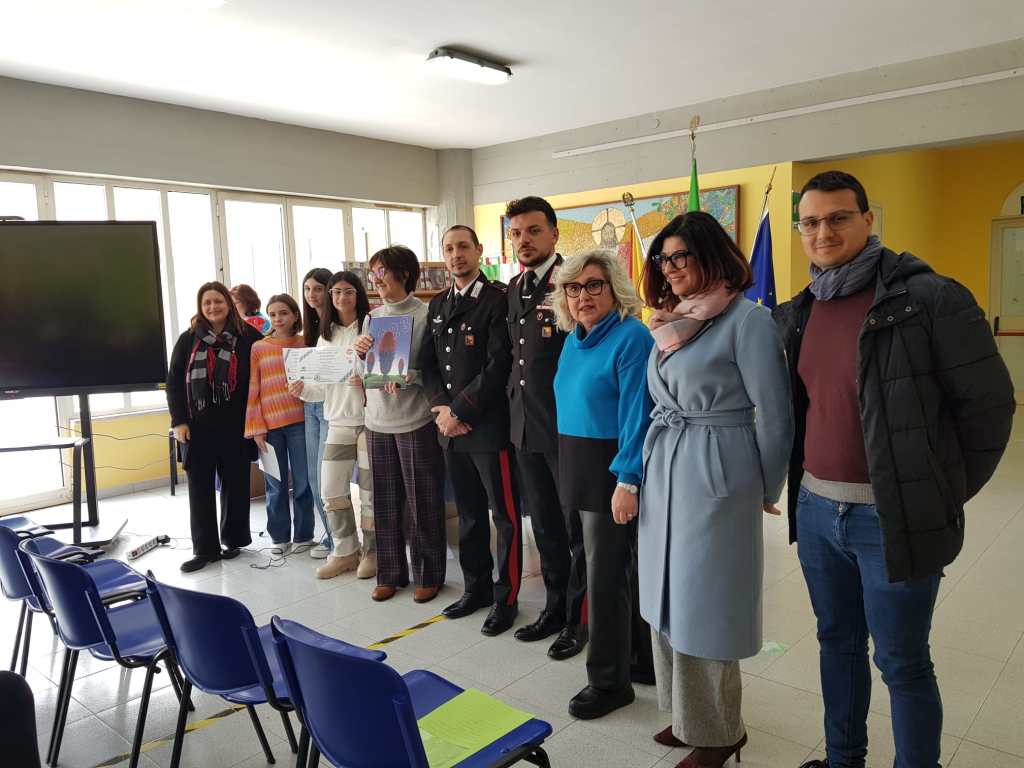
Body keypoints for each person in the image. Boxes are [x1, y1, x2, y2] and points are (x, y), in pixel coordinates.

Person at [775, 171, 1015, 768]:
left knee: (903, 661)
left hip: (893, 517)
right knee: (838, 645)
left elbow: (989, 409)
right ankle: (843, 760)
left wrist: (937, 492)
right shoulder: (801, 310)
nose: (823, 231)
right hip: (815, 508)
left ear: (868, 219)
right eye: (810, 221)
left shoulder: (930, 298)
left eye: (838, 218)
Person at [639, 212, 793, 766]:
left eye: (681, 256)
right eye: (664, 258)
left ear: (712, 257)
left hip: (717, 470)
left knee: (706, 605)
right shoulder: (671, 321)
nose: (671, 268)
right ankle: (689, 717)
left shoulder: (746, 321)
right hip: (667, 469)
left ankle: (720, 731)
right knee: (666, 598)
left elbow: (776, 415)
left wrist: (762, 485)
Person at [551, 249, 653, 719]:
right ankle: (638, 660)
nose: (583, 296)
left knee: (605, 576)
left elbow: (638, 414)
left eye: (594, 285)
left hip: (611, 468)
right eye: (573, 288)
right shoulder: (575, 337)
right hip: (577, 460)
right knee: (611, 569)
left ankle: (610, 682)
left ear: (614, 288)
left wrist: (627, 478)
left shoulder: (632, 337)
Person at [420, 225, 522, 635]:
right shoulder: (440, 303)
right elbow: (428, 362)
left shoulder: (497, 300)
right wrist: (441, 408)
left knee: (504, 516)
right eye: (449, 248)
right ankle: (475, 587)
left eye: (463, 246)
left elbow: (500, 364)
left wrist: (461, 409)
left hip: (486, 426)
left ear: (479, 251)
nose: (456, 254)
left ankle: (506, 596)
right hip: (450, 428)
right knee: (469, 516)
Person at [505, 196, 589, 661]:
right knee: (547, 529)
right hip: (525, 429)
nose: (524, 241)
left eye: (533, 231)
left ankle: (580, 619)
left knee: (577, 530)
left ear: (554, 234)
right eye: (516, 233)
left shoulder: (574, 283)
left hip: (566, 429)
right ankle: (555, 606)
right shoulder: (515, 287)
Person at [354, 246, 447, 603]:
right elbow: (364, 373)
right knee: (385, 501)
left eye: (382, 273)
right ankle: (390, 572)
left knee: (423, 500)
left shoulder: (426, 315)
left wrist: (411, 376)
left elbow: (435, 369)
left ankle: (429, 573)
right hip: (377, 420)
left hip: (415, 419)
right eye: (373, 274)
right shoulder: (371, 318)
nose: (376, 281)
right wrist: (361, 355)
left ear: (404, 275)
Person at [167, 281, 262, 573]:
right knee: (200, 488)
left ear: (228, 304)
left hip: (236, 425)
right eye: (206, 303)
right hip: (197, 427)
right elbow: (173, 383)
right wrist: (179, 422)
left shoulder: (247, 337)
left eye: (218, 301)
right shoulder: (188, 339)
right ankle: (205, 549)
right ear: (201, 306)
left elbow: (263, 371)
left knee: (235, 484)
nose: (212, 307)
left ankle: (233, 540)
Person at [291, 271, 377, 580]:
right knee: (331, 490)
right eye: (336, 292)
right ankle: (344, 551)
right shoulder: (325, 336)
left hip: (369, 423)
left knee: (370, 493)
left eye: (348, 292)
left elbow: (388, 371)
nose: (341, 298)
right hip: (337, 421)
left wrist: (365, 378)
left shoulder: (371, 326)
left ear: (358, 294)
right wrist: (303, 390)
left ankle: (372, 552)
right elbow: (320, 387)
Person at [244, 293, 315, 555]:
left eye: (283, 313)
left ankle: (304, 535)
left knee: (304, 482)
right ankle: (279, 536)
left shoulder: (306, 343)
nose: (278, 319)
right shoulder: (259, 348)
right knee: (275, 484)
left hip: (301, 424)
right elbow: (254, 387)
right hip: (269, 428)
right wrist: (255, 427)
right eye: (272, 314)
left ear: (295, 315)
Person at [299, 267, 334, 562]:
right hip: (309, 402)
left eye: (318, 289)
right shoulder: (309, 324)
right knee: (313, 476)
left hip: (330, 405)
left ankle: (339, 541)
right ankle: (333, 536)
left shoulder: (336, 323)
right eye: (308, 289)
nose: (312, 295)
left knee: (325, 479)